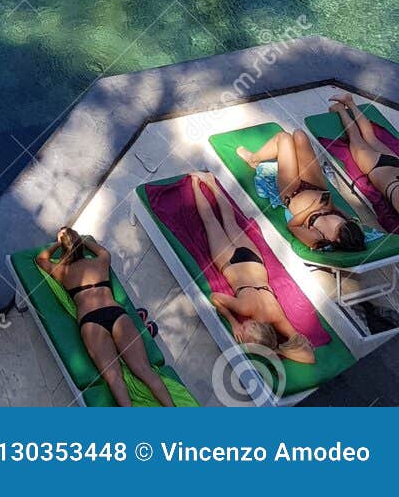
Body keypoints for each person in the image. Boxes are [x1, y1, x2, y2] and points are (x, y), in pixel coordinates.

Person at [37, 227, 176, 407]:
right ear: (80, 243)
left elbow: (41, 259)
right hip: (116, 313)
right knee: (144, 370)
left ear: (64, 248)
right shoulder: (100, 262)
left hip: (91, 321)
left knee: (114, 377)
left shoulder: (63, 271)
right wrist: (82, 240)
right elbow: (103, 250)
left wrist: (59, 242)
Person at [187, 172, 315, 363]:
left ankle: (212, 182)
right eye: (246, 335)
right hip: (230, 263)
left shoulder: (277, 318)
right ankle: (195, 182)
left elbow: (309, 356)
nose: (242, 333)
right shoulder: (244, 308)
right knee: (210, 222)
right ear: (252, 328)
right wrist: (234, 323)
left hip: (254, 261)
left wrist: (277, 348)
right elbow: (215, 298)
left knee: (229, 220)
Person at [235, 128, 367, 252]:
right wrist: (329, 203)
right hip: (317, 185)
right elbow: (340, 212)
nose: (340, 224)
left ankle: (253, 159)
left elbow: (293, 226)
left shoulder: (319, 239)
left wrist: (311, 208)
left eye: (339, 229)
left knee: (284, 138)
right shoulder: (350, 227)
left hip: (292, 192)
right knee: (299, 135)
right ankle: (281, 155)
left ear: (338, 240)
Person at [329, 94, 399, 219]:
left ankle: (350, 103)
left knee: (370, 136)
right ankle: (340, 109)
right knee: (355, 137)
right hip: (376, 167)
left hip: (394, 165)